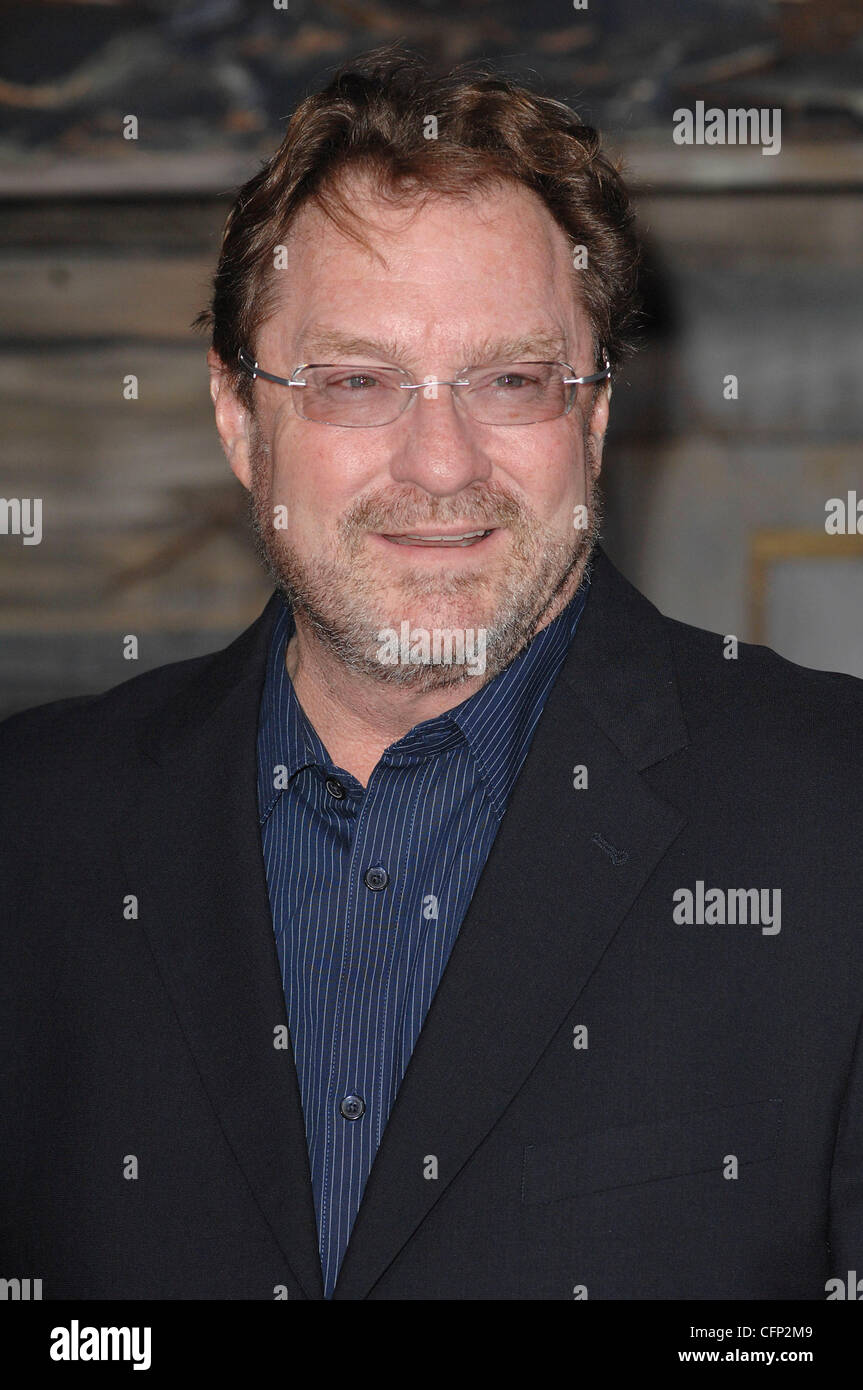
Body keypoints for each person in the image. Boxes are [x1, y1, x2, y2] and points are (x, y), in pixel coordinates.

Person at [2, 51, 862, 1302]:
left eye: (510, 380)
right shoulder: (33, 825)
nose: (441, 461)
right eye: (357, 382)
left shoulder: (833, 820)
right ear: (241, 421)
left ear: (596, 416)